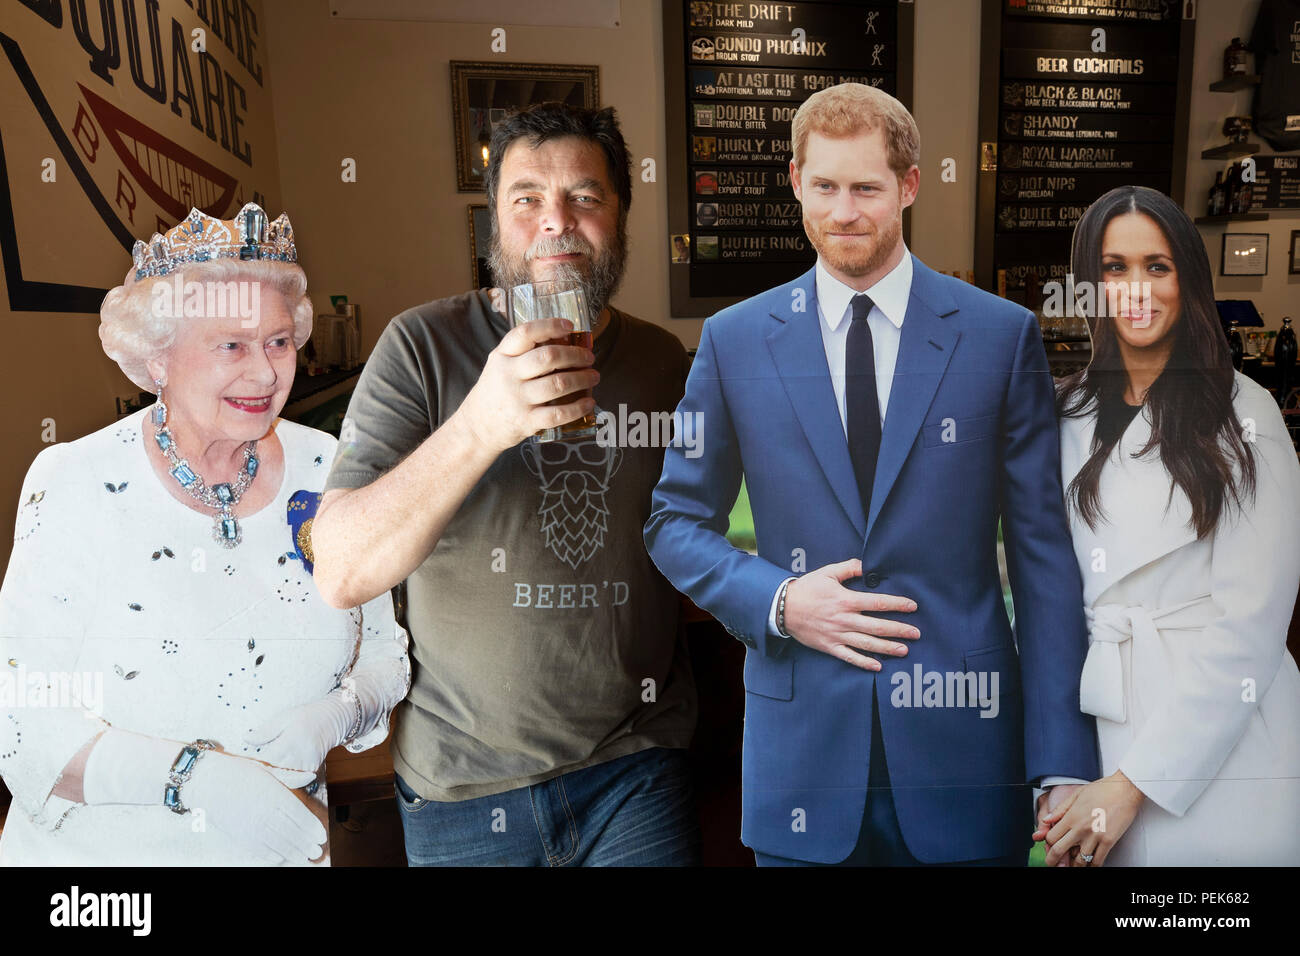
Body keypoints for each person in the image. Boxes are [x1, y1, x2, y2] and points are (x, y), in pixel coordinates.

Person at [645, 83, 1099, 866]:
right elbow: (673, 523)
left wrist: (1061, 761)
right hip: (801, 762)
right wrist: (781, 602)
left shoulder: (999, 337)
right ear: (795, 182)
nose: (844, 211)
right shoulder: (733, 341)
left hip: (967, 755)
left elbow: (1044, 558)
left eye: (866, 188)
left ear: (909, 187)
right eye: (824, 186)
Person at [311, 103, 700, 867]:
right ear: (496, 224)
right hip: (465, 784)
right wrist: (483, 422)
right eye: (527, 199)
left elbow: (711, 527)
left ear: (619, 217)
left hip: (637, 763)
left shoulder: (662, 361)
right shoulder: (419, 345)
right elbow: (341, 567)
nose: (555, 222)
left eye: (585, 197)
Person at [0, 204, 410, 866]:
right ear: (157, 356)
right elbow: (20, 727)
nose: (265, 373)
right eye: (231, 346)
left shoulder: (327, 466)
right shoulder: (74, 482)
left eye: (279, 342)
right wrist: (198, 780)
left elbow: (386, 657)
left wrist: (336, 712)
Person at [1038, 186, 1300, 866]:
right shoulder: (1062, 411)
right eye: (1114, 268)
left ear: (1188, 274)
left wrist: (1133, 784)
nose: (1136, 289)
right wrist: (1060, 772)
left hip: (1223, 741)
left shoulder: (1249, 411)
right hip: (1100, 724)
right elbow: (1047, 601)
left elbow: (1252, 624)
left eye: (1157, 266)